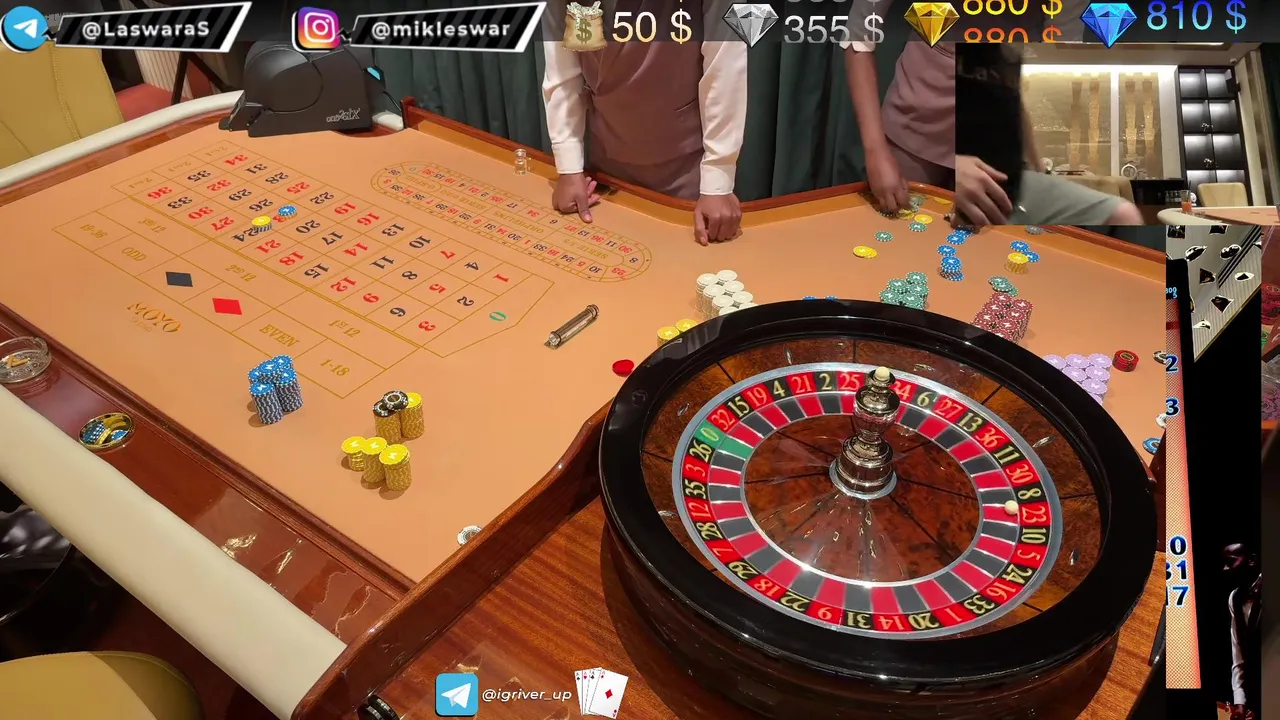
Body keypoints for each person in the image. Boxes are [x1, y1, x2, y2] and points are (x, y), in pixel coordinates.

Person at [841, 16, 1143, 228]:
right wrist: (875, 151)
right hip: (913, 138)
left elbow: (1015, 80)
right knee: (902, 249)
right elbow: (859, 37)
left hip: (991, 153)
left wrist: (1037, 166)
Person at [541, 1, 746, 245]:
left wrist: (718, 181)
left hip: (683, 169)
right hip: (605, 166)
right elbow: (563, 74)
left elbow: (724, 71)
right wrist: (569, 167)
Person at [1223, 542, 1261, 720]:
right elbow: (1238, 654)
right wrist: (1240, 702)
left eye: (1230, 562)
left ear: (1251, 560)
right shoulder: (1234, 598)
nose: (1225, 568)